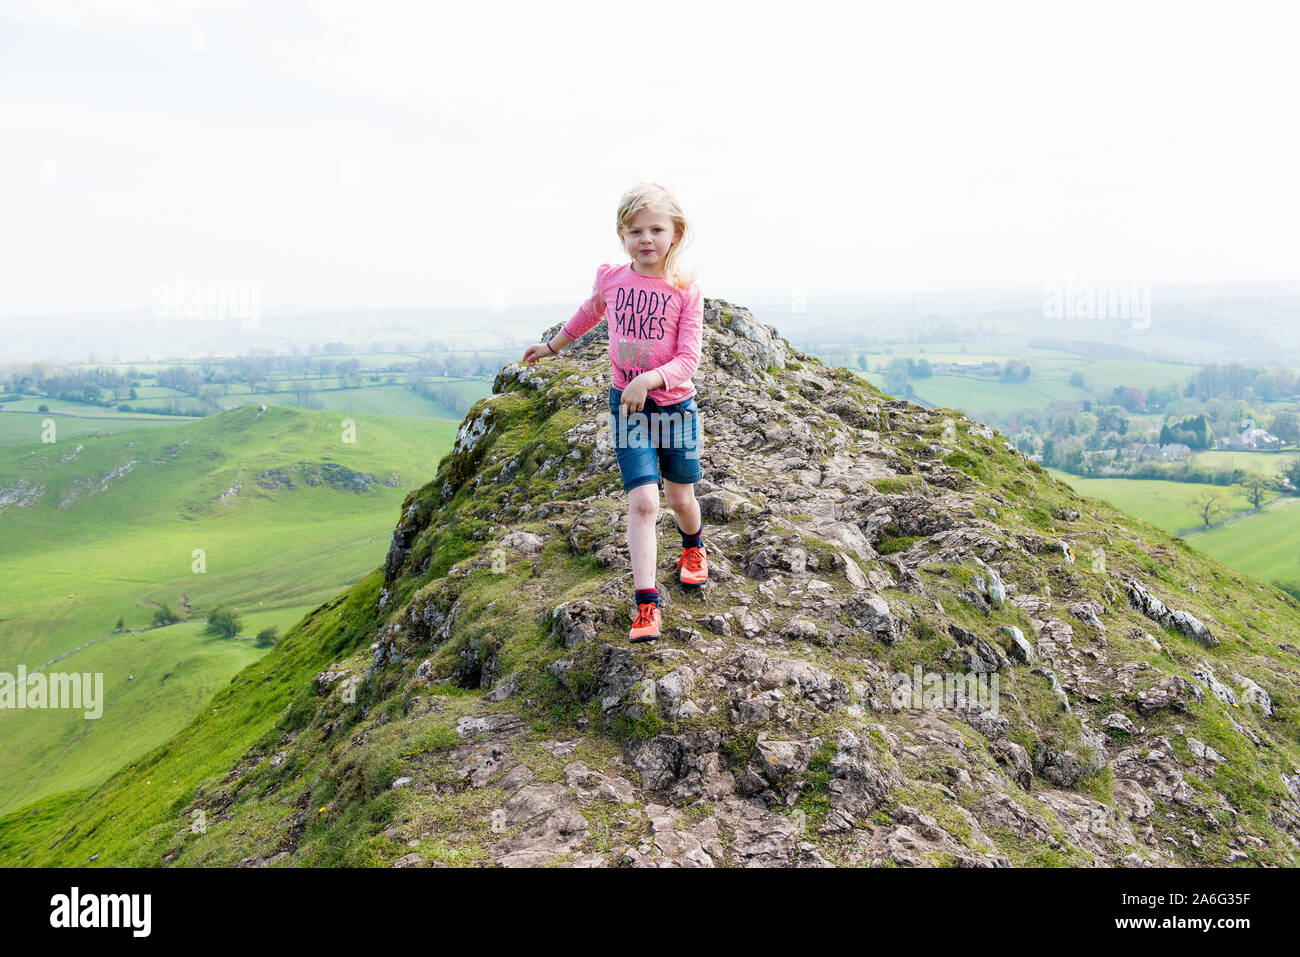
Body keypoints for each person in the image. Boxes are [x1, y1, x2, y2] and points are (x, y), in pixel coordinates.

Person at [521, 183, 706, 643]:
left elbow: (688, 359)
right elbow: (589, 313)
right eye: (635, 231)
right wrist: (551, 346)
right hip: (627, 407)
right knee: (644, 502)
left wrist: (650, 378)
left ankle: (693, 547)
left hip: (675, 408)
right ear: (622, 235)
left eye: (656, 229)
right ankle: (646, 604)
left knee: (681, 500)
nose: (646, 239)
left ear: (675, 233)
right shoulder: (612, 279)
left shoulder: (685, 290)